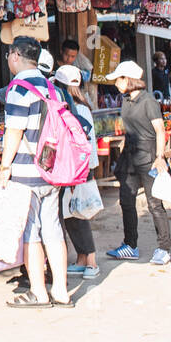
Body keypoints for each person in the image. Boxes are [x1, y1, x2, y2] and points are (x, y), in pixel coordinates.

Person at [0, 36, 72, 308]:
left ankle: (39, 293)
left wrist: (5, 167)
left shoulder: (19, 89)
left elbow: (15, 132)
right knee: (53, 229)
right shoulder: (54, 89)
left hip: (26, 171)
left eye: (8, 55)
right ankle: (61, 292)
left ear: (15, 55)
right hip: (53, 169)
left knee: (31, 232)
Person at [106, 61, 171, 265]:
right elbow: (129, 128)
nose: (116, 83)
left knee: (154, 204)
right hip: (130, 156)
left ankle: (164, 248)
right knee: (126, 200)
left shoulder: (148, 101)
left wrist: (160, 157)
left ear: (128, 79)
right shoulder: (126, 100)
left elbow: (160, 130)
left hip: (149, 155)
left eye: (119, 78)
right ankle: (130, 245)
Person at [53, 65, 99, 280]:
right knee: (70, 214)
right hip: (74, 168)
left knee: (79, 215)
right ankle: (81, 258)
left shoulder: (78, 109)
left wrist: (85, 170)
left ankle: (91, 260)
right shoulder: (80, 107)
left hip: (78, 169)